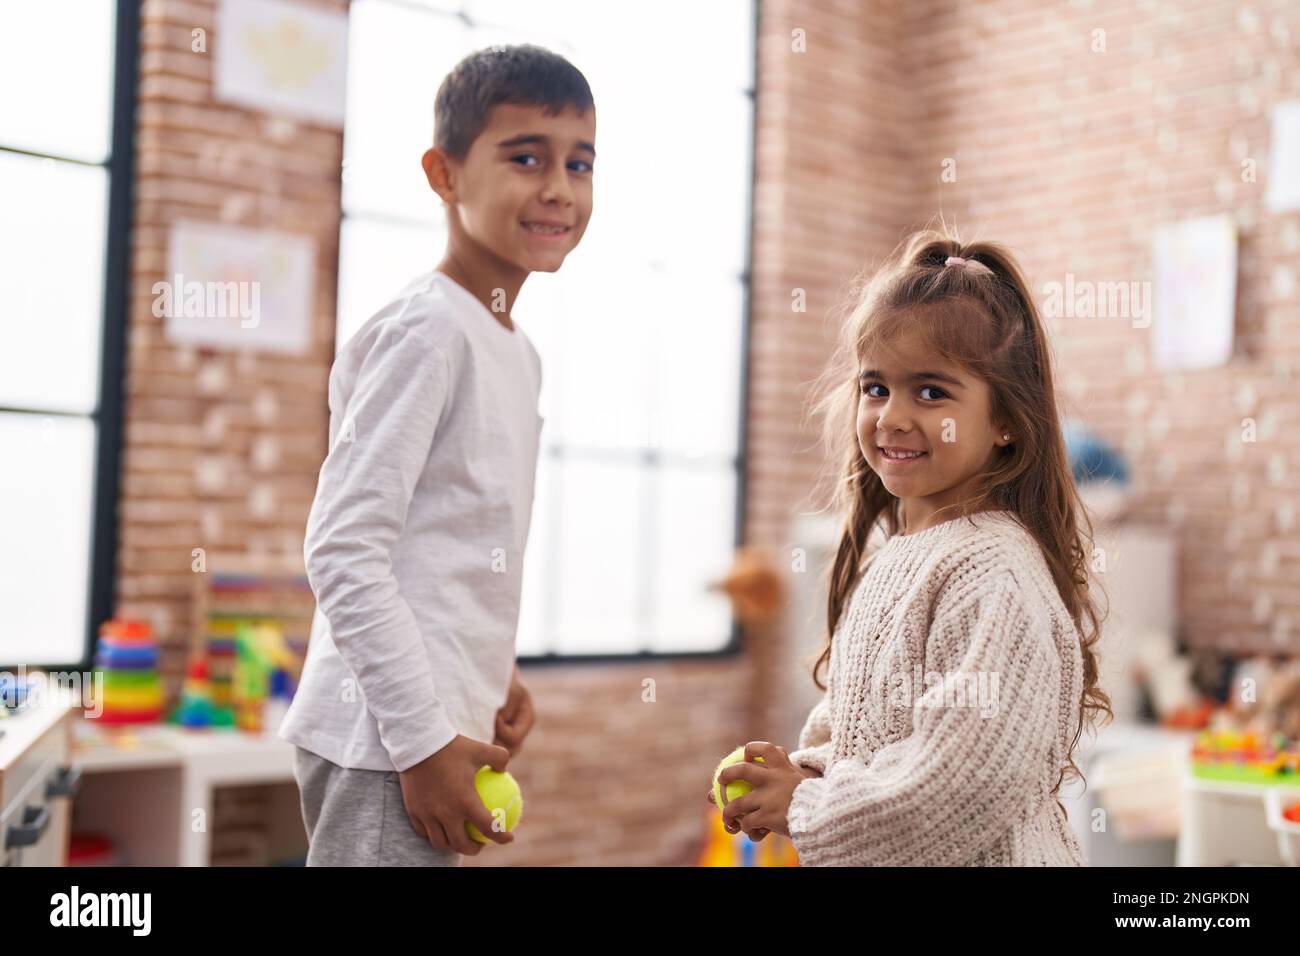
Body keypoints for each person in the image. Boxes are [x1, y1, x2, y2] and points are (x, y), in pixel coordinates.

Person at [280, 44, 596, 866]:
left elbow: (448, 546)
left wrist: (492, 670)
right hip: (383, 738)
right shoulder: (428, 331)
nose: (559, 187)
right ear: (444, 174)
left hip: (427, 722)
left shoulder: (514, 349)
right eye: (526, 157)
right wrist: (421, 745)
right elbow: (344, 547)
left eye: (579, 162)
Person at [713, 227, 1112, 865]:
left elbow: (961, 784)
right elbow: (866, 738)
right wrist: (804, 774)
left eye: (931, 392)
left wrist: (804, 805)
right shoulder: (899, 554)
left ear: (1007, 418)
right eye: (876, 388)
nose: (892, 416)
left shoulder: (994, 573)